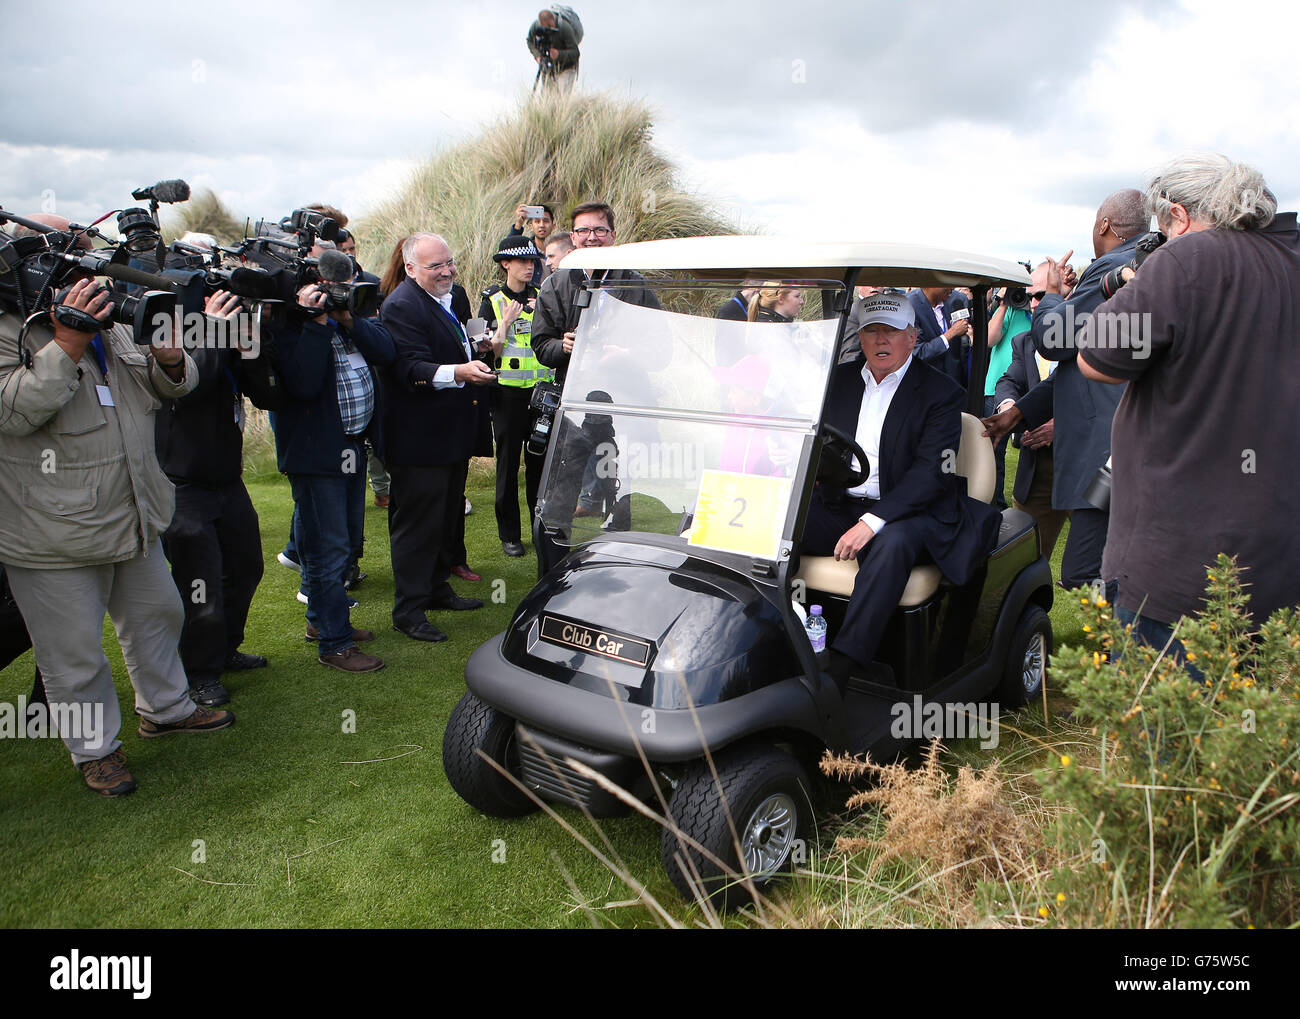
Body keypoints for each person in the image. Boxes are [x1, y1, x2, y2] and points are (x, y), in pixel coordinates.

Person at [0, 261, 234, 797]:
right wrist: (66, 341)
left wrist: (172, 361)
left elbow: (168, 389)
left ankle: (167, 709)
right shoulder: (11, 329)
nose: (86, 272)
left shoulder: (118, 319)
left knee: (159, 613)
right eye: (64, 258)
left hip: (133, 511)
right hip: (49, 531)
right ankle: (96, 751)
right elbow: (16, 412)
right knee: (73, 651)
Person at [1077, 153, 1300, 645]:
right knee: (1256, 714)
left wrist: (1134, 287)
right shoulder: (1289, 260)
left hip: (1179, 569)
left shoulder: (1187, 259)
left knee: (1163, 718)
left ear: (1178, 215)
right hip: (1277, 561)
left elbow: (1095, 359)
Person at [799, 292, 1001, 694]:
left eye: (891, 331)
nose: (880, 340)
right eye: (872, 330)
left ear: (913, 336)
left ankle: (842, 668)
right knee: (777, 524)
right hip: (844, 503)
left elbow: (932, 474)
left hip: (916, 513)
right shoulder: (836, 383)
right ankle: (775, 632)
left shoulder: (941, 394)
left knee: (890, 543)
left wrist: (871, 523)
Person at [982, 189, 1148, 591]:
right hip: (1130, 446)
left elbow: (1054, 340)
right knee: (1109, 565)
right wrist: (1018, 413)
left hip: (1105, 454)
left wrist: (1055, 294)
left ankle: (1124, 650)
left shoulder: (1114, 266)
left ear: (1104, 224)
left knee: (1088, 573)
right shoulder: (1147, 262)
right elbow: (1081, 365)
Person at [156, 289, 282, 707]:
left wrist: (249, 344)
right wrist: (210, 330)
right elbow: (188, 388)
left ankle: (225, 649)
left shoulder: (223, 339)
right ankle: (199, 673)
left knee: (247, 568)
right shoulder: (170, 337)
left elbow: (265, 395)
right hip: (183, 483)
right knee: (200, 585)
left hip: (227, 479)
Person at [272, 270, 395, 673]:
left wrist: (347, 320)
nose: (329, 297)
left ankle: (322, 622)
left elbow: (386, 351)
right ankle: (335, 644)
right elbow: (304, 383)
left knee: (343, 542)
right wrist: (315, 322)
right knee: (329, 550)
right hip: (315, 455)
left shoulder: (345, 322)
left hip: (351, 447)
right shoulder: (288, 328)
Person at [380, 233, 494, 643]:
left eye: (450, 262)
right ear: (410, 268)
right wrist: (462, 371)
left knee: (444, 518)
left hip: (448, 436)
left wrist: (477, 349)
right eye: (436, 266)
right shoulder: (401, 306)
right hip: (417, 441)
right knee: (416, 525)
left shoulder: (448, 296)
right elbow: (411, 368)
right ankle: (408, 612)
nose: (447, 271)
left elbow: (453, 344)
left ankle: (436, 590)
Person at [480, 236, 551, 558]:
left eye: (532, 261)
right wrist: (504, 325)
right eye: (522, 261)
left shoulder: (543, 296)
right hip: (507, 396)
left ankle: (542, 529)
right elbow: (484, 354)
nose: (529, 267)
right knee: (507, 467)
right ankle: (509, 534)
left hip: (541, 396)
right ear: (505, 264)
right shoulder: (491, 300)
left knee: (541, 466)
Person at [991, 264, 1069, 559]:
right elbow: (1010, 380)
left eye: (1041, 295)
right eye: (1029, 296)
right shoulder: (1023, 341)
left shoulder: (1090, 337)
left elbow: (1106, 397)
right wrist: (1010, 408)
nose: (1035, 303)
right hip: (1037, 469)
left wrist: (1061, 425)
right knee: (1022, 557)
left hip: (1084, 466)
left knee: (1095, 565)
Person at [906, 286, 971, 385]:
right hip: (925, 384)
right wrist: (951, 333)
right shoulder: (910, 305)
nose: (952, 287)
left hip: (954, 382)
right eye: (946, 283)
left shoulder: (956, 299)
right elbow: (918, 353)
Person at [527, 8, 580, 92]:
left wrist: (559, 54)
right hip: (548, 67)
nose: (550, 29)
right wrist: (537, 56)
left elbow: (576, 53)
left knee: (562, 100)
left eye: (550, 26)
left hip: (567, 67)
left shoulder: (564, 28)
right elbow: (529, 41)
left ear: (552, 19)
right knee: (547, 97)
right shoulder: (536, 26)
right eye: (546, 27)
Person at [508, 204, 554, 286]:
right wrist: (518, 224)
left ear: (553, 226)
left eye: (546, 221)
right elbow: (508, 250)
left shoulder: (560, 249)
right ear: (531, 226)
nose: (542, 225)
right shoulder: (527, 250)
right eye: (537, 221)